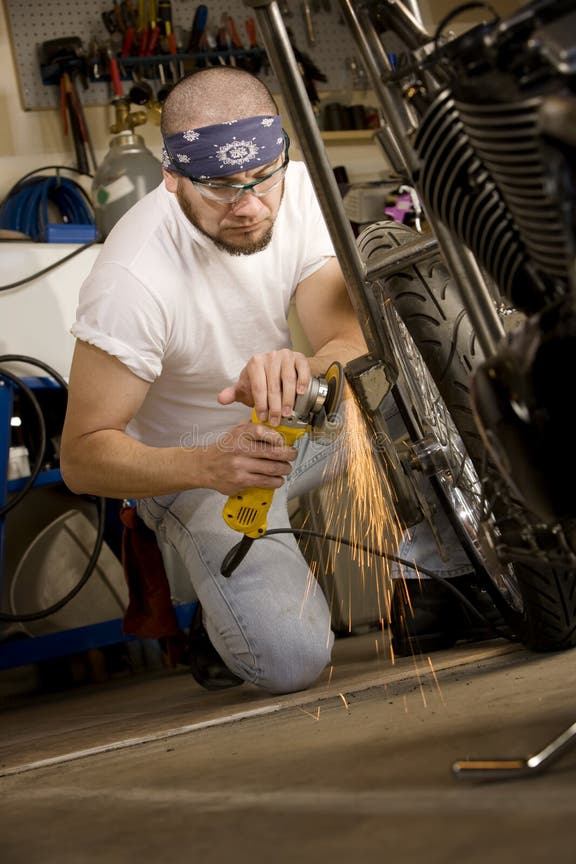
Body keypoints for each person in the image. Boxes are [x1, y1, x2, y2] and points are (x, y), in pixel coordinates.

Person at [61, 67, 494, 694]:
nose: (249, 206)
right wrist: (209, 464)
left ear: (282, 158)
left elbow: (350, 341)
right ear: (172, 178)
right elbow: (82, 457)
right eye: (221, 189)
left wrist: (307, 366)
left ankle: (436, 574)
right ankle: (226, 613)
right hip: (196, 468)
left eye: (263, 179)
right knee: (289, 660)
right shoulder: (131, 279)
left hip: (295, 423)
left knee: (418, 350)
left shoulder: (292, 195)